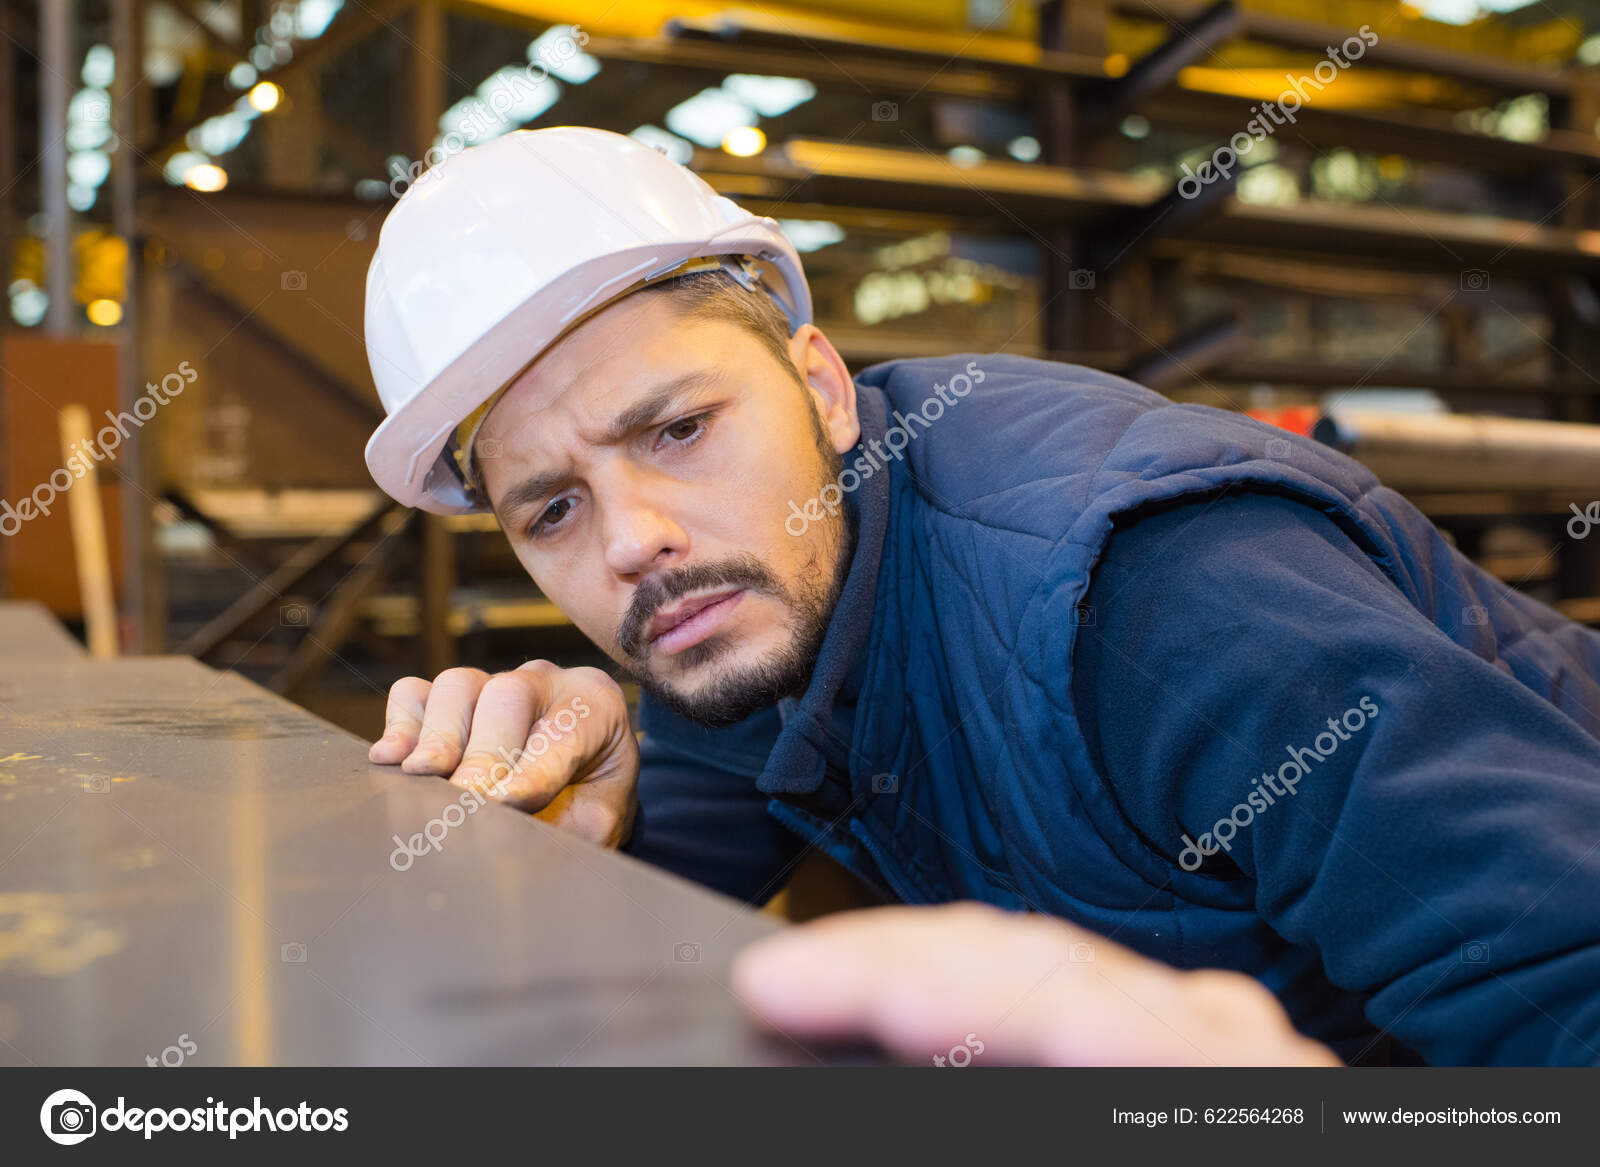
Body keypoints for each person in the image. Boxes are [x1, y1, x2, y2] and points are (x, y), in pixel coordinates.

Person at [361, 126, 1600, 1066]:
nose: (637, 541)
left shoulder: (1157, 603)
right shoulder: (748, 615)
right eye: (553, 509)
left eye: (680, 428)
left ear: (824, 391)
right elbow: (670, 893)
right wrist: (586, 801)